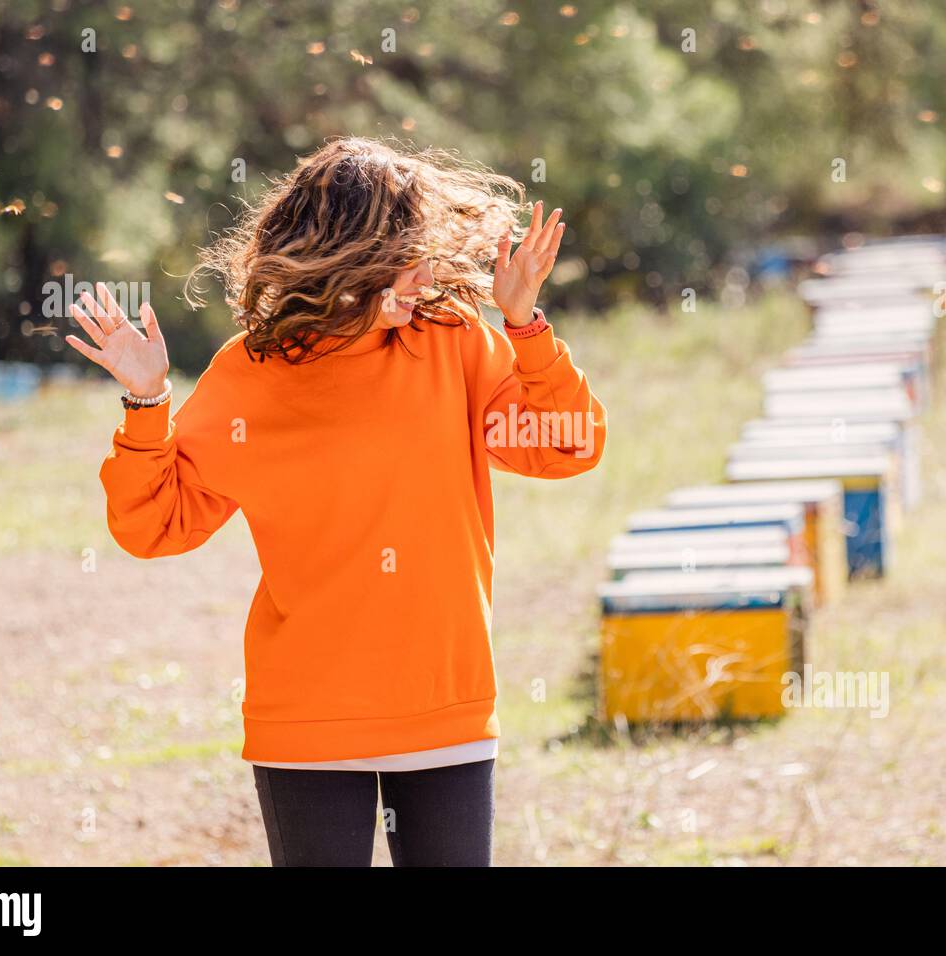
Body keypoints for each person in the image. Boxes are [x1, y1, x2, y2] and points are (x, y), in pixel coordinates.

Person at [66, 137, 607, 866]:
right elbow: (154, 525)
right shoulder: (250, 374)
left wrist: (525, 326)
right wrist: (146, 401)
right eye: (410, 255)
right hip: (309, 725)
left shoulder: (453, 343)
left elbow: (567, 446)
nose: (425, 276)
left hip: (445, 709)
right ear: (356, 256)